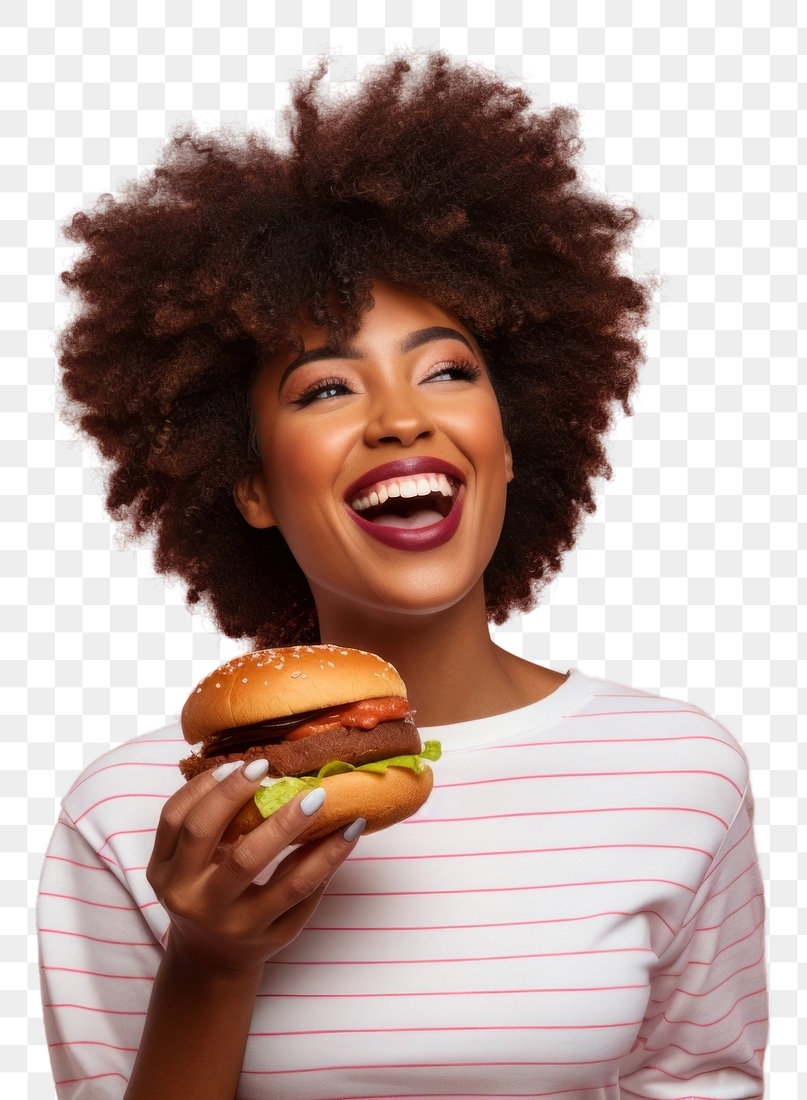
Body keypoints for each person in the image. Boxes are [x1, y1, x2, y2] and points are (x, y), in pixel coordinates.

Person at [38, 52, 768, 1099]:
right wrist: (210, 961)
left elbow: (700, 1083)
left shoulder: (678, 771)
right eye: (327, 385)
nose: (400, 416)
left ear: (510, 440)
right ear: (247, 483)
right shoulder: (130, 813)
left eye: (448, 371)